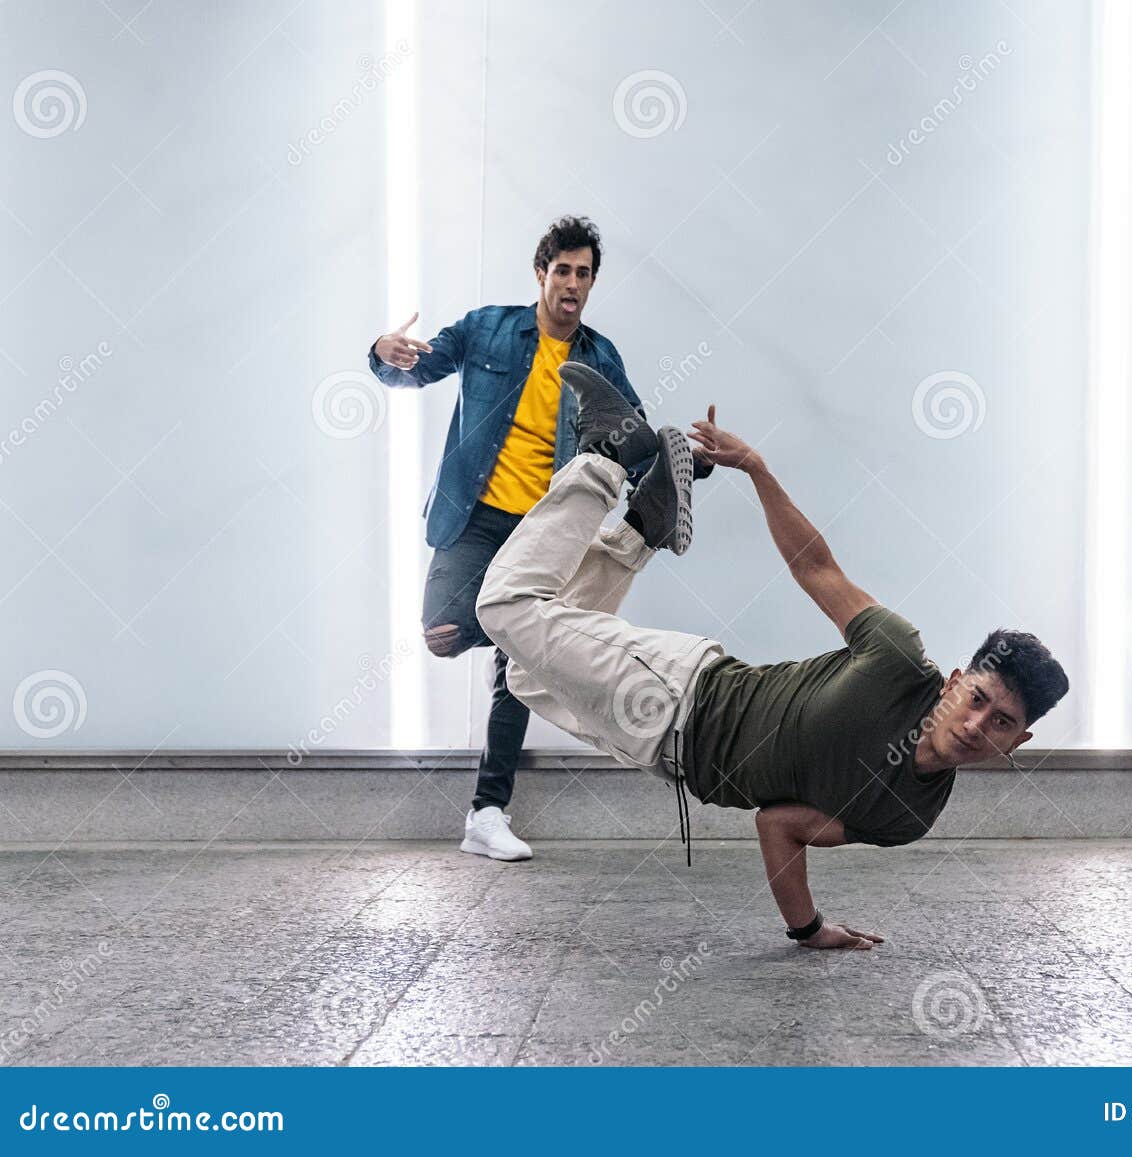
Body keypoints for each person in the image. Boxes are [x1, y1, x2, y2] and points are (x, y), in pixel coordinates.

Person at [475, 366, 1070, 950]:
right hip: (681, 691)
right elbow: (816, 567)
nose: (974, 726)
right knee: (504, 608)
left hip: (665, 754)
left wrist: (809, 931)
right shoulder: (897, 658)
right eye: (978, 700)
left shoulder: (908, 816)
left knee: (526, 672)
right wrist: (756, 469)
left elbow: (779, 824)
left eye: (1000, 723)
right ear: (956, 683)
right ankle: (606, 455)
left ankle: (640, 529)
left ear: (1017, 742)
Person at [367, 215, 708, 862]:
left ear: (591, 282)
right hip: (474, 517)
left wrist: (688, 463)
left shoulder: (599, 357)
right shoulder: (488, 327)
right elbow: (418, 368)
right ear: (541, 273)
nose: (573, 284)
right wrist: (385, 356)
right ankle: (528, 616)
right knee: (443, 631)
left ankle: (486, 812)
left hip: (545, 532)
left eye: (584, 274)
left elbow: (632, 442)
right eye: (563, 271)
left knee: (516, 672)